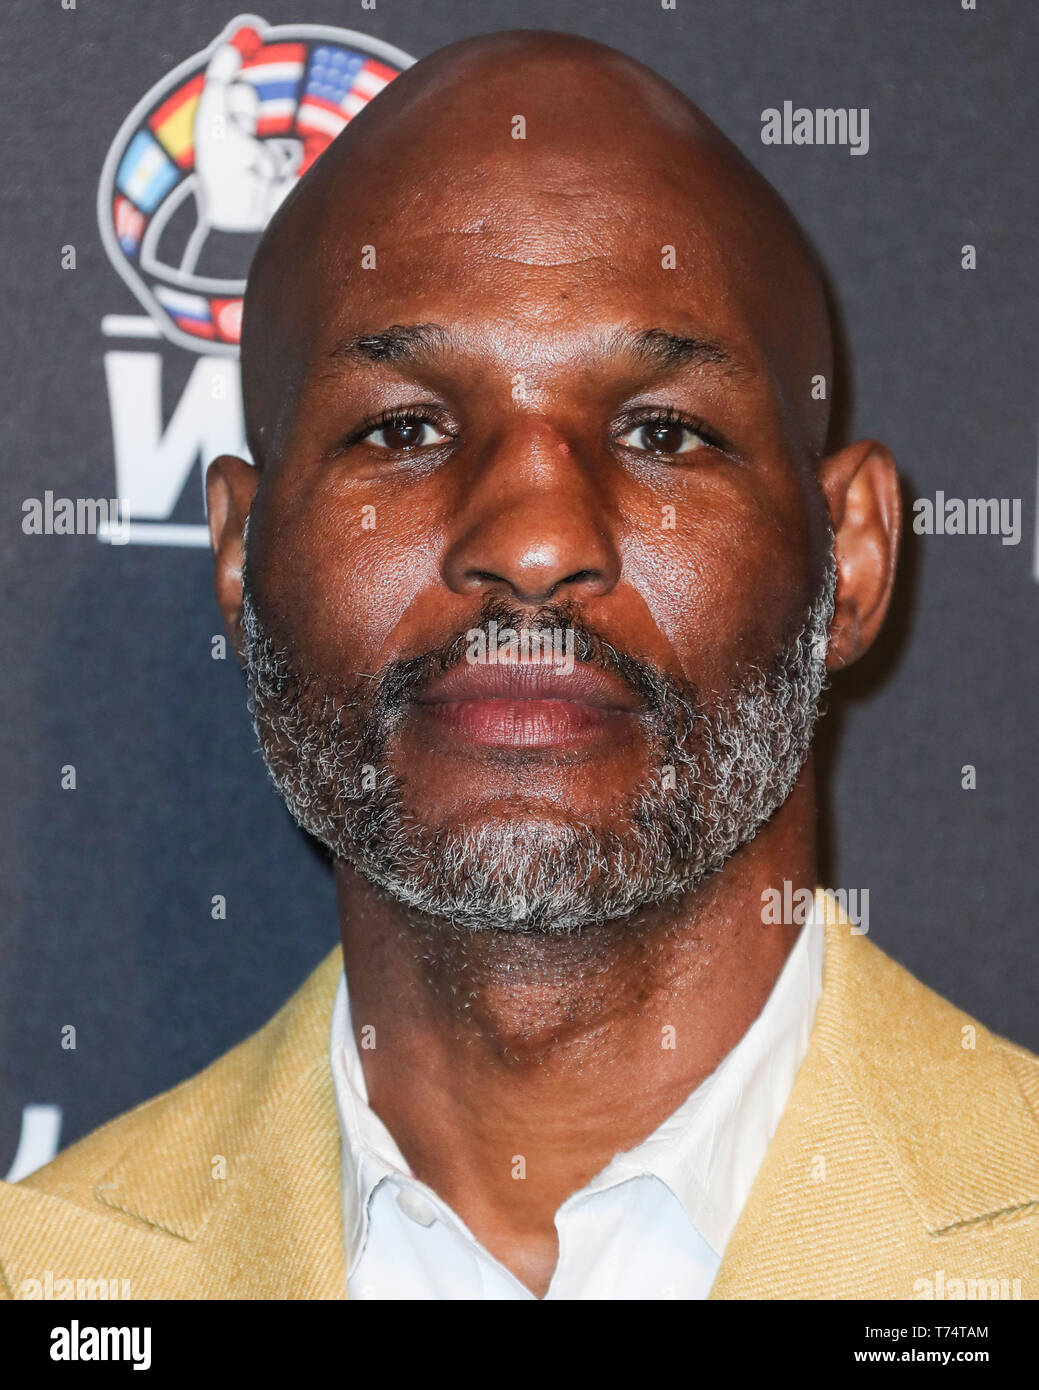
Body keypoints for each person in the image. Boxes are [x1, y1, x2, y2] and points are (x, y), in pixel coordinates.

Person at [3, 30, 1036, 1302]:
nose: (534, 539)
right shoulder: (50, 1288)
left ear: (853, 560)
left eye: (662, 431)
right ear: (237, 558)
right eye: (404, 428)